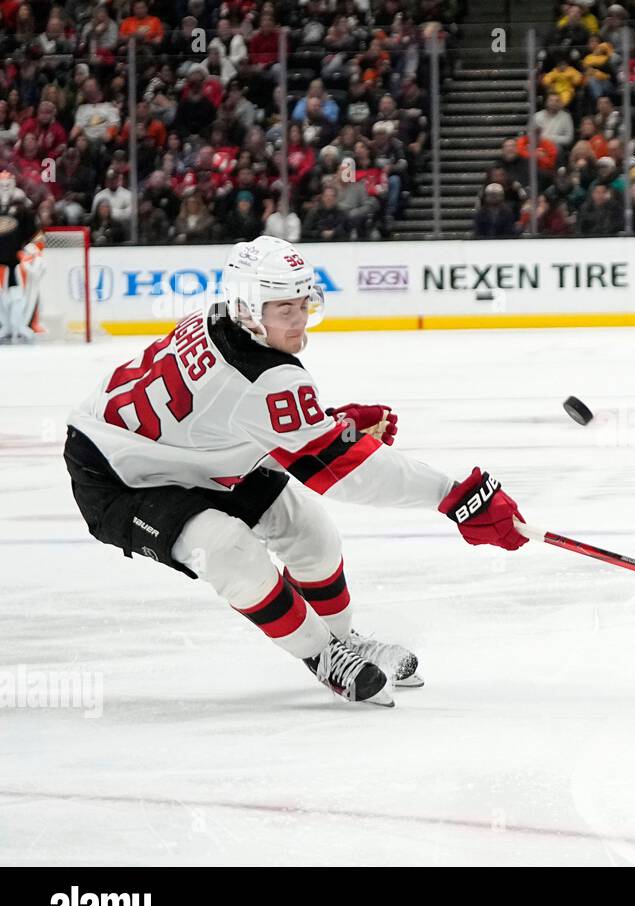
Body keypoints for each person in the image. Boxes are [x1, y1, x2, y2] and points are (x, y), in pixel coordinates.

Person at [62, 237, 530, 706]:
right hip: (114, 476)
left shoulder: (222, 322)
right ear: (248, 308)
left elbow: (235, 414)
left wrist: (329, 426)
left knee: (310, 531)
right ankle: (323, 655)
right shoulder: (264, 374)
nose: (300, 318)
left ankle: (341, 638)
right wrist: (454, 495)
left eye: (303, 303)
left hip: (185, 457)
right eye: (284, 308)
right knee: (227, 549)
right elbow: (340, 471)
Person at [0, 171, 44, 344]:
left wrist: (31, 250)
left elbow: (36, 234)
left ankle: (20, 325)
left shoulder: (22, 207)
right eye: (1, 185)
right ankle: (5, 326)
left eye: (7, 185)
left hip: (16, 261)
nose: (4, 189)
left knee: (17, 295)